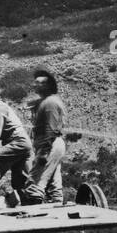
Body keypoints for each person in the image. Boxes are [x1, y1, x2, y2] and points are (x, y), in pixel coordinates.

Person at [20, 68, 68, 206]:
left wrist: (43, 154)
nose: (35, 85)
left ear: (48, 86)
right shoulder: (51, 101)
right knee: (54, 183)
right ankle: (58, 210)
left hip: (49, 144)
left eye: (39, 83)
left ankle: (33, 219)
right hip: (55, 144)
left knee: (34, 184)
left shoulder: (49, 104)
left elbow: (50, 129)